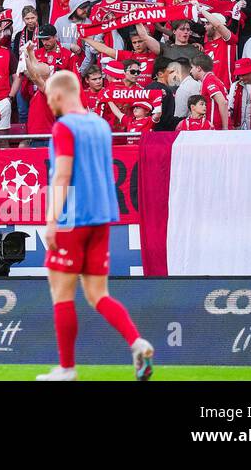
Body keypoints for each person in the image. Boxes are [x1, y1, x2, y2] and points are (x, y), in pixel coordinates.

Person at [37, 70, 153, 382]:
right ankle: (136, 342)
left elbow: (62, 175)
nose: (50, 104)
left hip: (73, 219)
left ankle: (67, 369)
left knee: (62, 294)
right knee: (98, 294)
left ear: (60, 95)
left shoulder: (64, 127)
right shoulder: (101, 125)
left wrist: (51, 220)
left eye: (50, 97)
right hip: (102, 217)